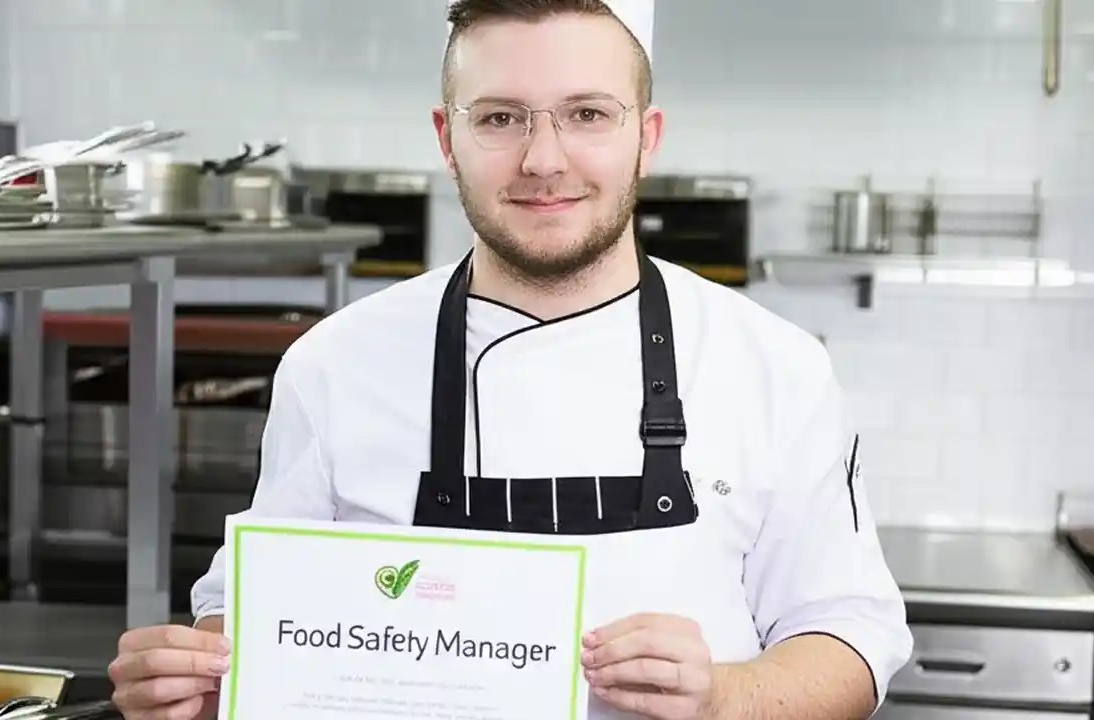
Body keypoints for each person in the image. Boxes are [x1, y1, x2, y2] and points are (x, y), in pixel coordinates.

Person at [107, 1, 913, 718]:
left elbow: (850, 640)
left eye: (588, 114)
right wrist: (201, 680)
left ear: (648, 137)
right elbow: (255, 614)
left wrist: (726, 698)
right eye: (499, 119)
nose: (543, 160)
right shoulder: (333, 364)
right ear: (445, 138)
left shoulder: (774, 366)